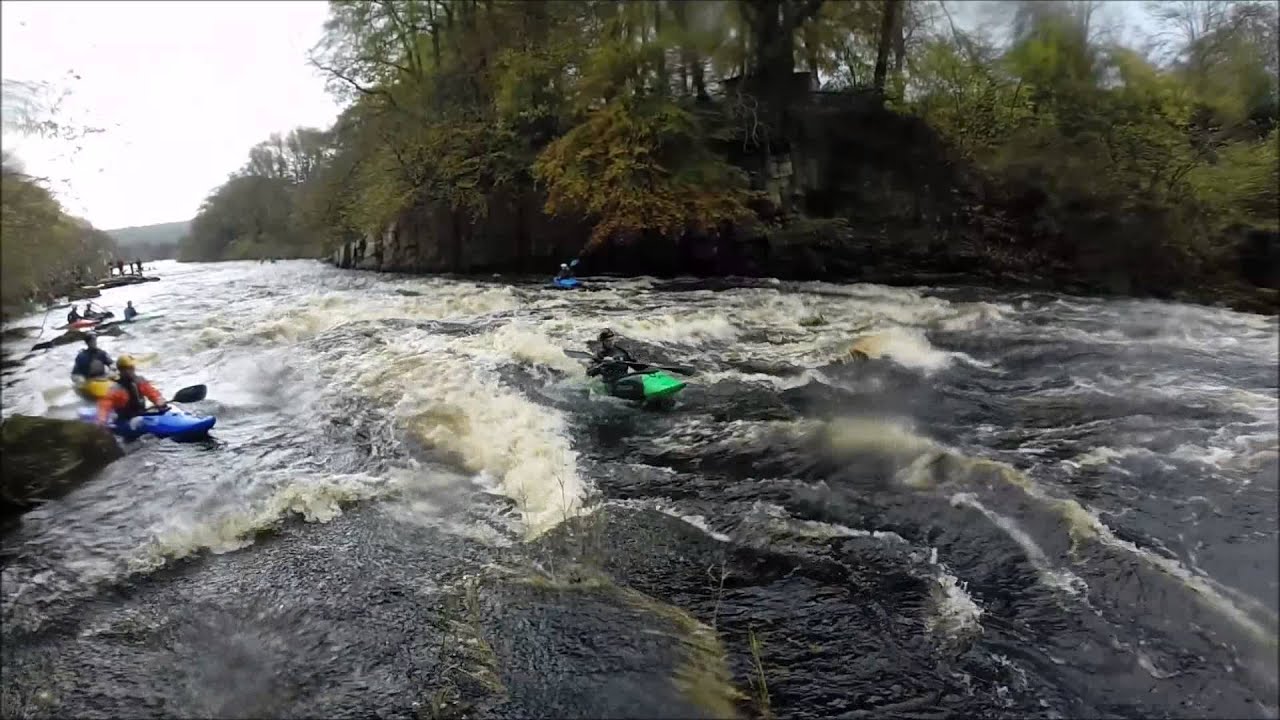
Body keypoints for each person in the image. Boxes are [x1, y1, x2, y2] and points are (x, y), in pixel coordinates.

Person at [96, 355, 167, 426]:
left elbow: (152, 393)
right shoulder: (116, 388)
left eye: (132, 367)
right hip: (125, 420)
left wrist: (158, 400)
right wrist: (102, 420)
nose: (132, 370)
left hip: (141, 415)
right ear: (121, 370)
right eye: (129, 368)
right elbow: (104, 405)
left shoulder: (140, 381)